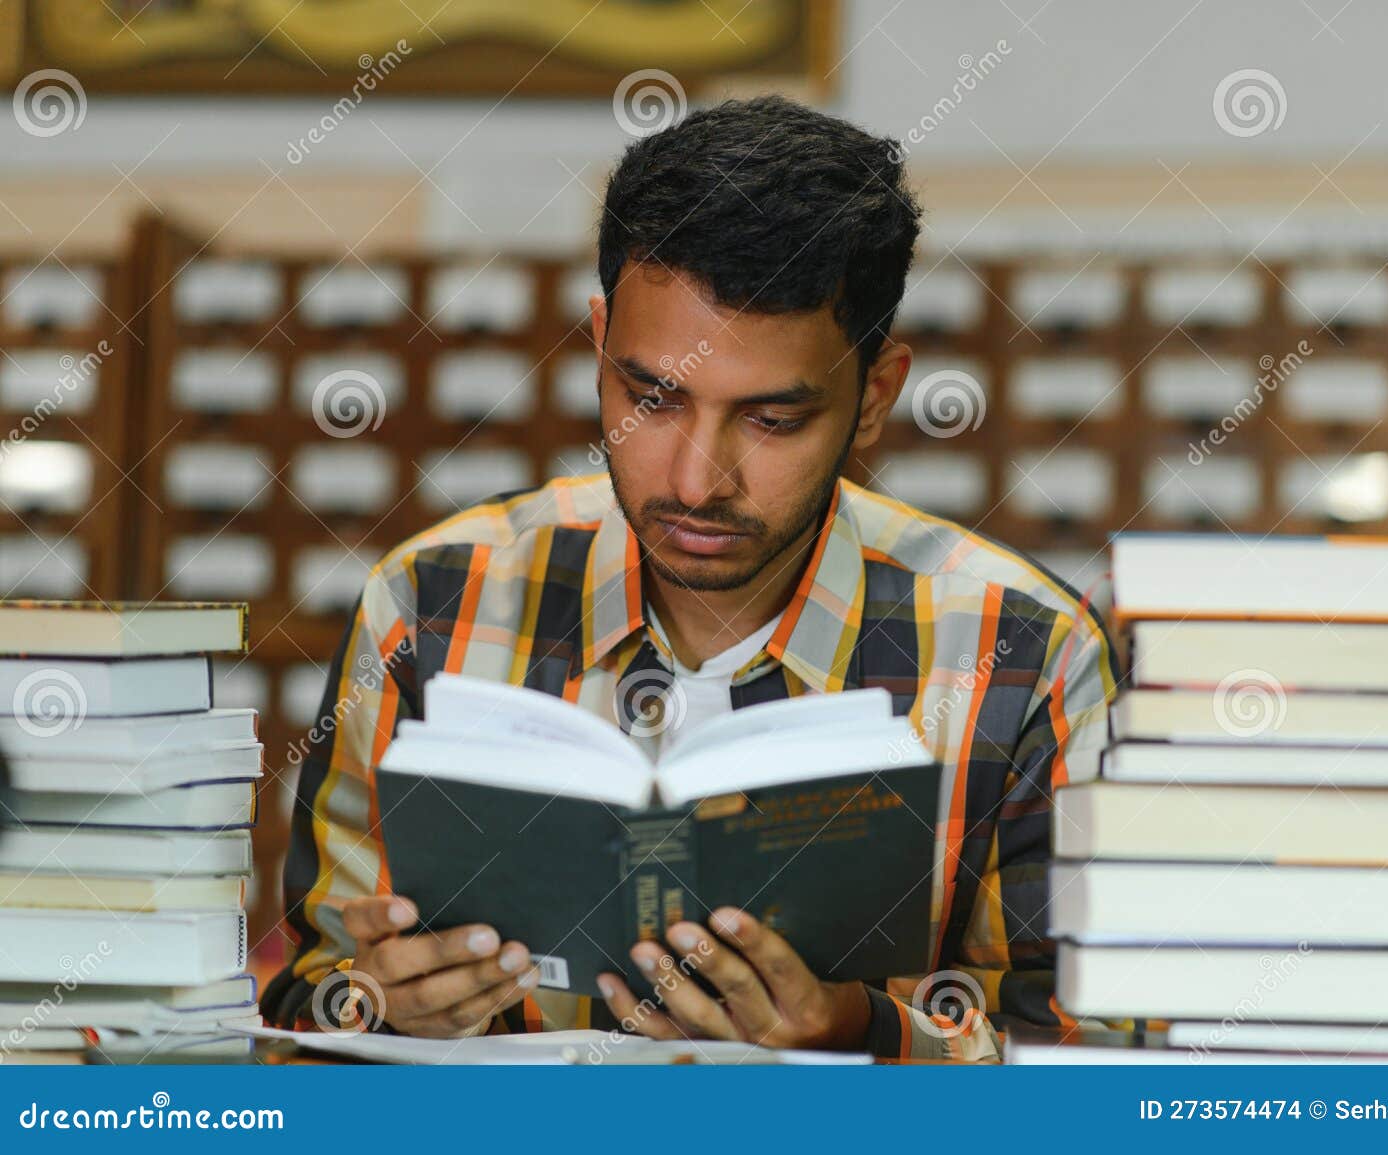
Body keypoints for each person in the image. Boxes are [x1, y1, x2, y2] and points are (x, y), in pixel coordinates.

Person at [261, 94, 1115, 1062]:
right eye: (652, 397)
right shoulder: (427, 605)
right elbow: (302, 1005)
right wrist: (375, 1006)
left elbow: (1090, 1068)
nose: (695, 480)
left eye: (772, 420)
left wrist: (862, 1029)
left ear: (874, 395)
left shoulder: (1028, 652)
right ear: (596, 347)